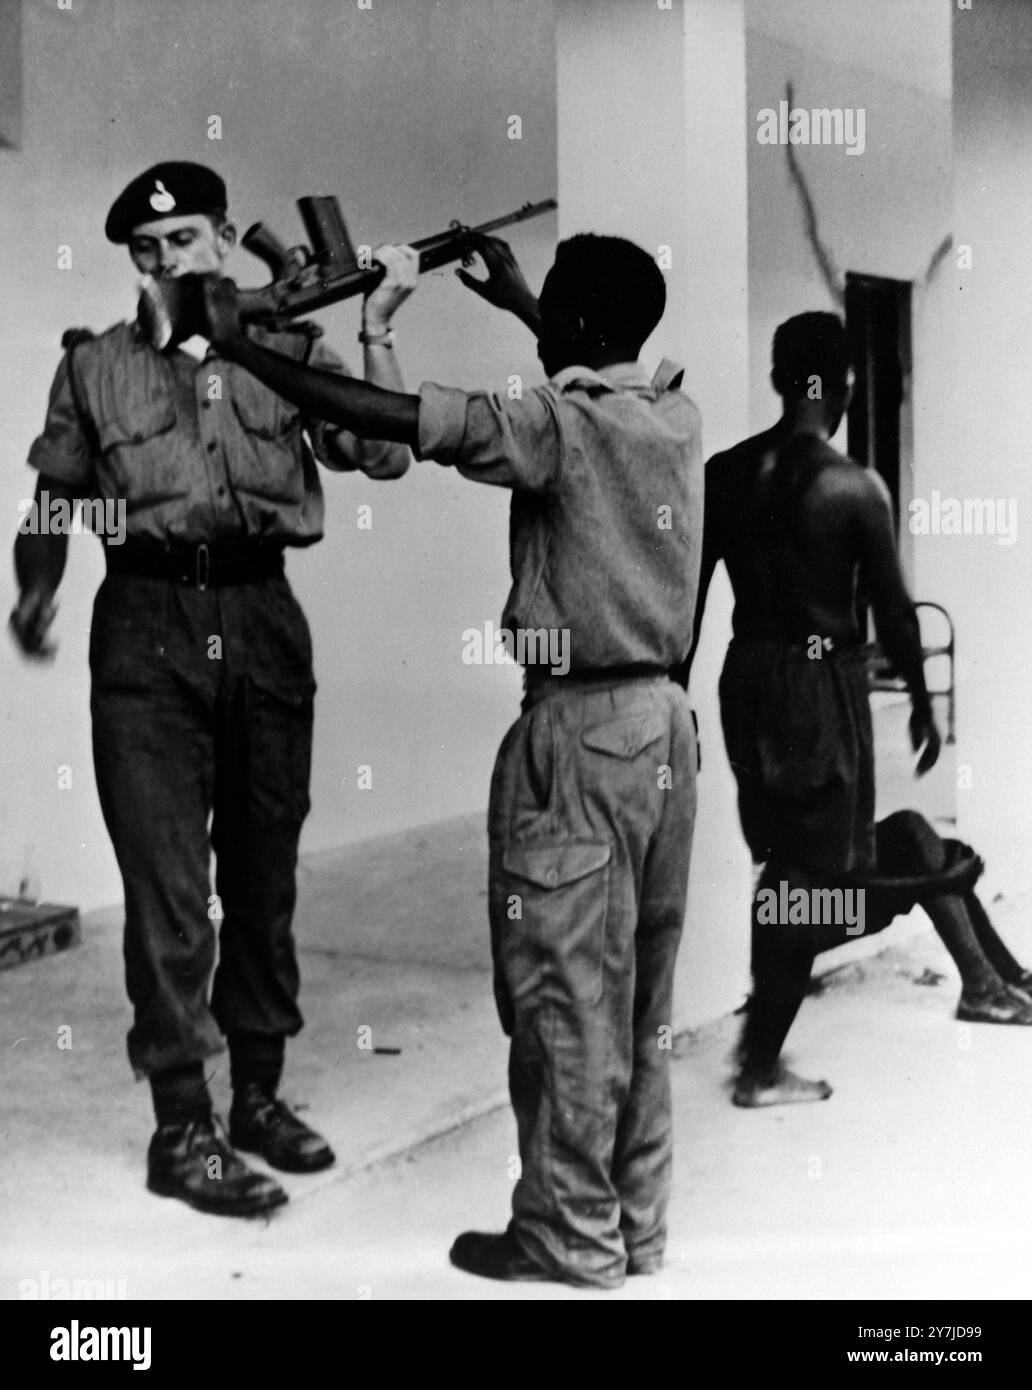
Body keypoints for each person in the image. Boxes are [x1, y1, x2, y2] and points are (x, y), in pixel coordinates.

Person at [199, 231, 704, 1288]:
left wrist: (242, 348)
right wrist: (527, 299)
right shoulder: (669, 412)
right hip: (664, 731)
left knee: (564, 995)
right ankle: (634, 1228)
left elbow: (395, 421)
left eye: (556, 309)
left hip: (576, 731)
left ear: (579, 328)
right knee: (638, 1001)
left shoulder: (553, 426)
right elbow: (589, 368)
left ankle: (568, 1240)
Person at [9, 161, 419, 1216]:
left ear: (228, 239)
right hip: (144, 632)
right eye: (145, 251)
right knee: (168, 891)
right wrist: (35, 593)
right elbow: (53, 498)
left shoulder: (286, 349)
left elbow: (379, 452)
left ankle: (261, 1099)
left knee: (266, 874)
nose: (164, 264)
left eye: (184, 240)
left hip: (265, 619)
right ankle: (181, 1124)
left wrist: (377, 324)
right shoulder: (95, 368)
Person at [676, 310, 1032, 1110]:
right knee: (817, 873)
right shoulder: (851, 484)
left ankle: (974, 954)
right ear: (844, 385)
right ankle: (759, 1065)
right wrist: (920, 702)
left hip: (749, 676)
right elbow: (897, 614)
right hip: (816, 682)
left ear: (777, 380)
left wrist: (676, 697)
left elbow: (689, 603)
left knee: (796, 852)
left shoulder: (725, 476)